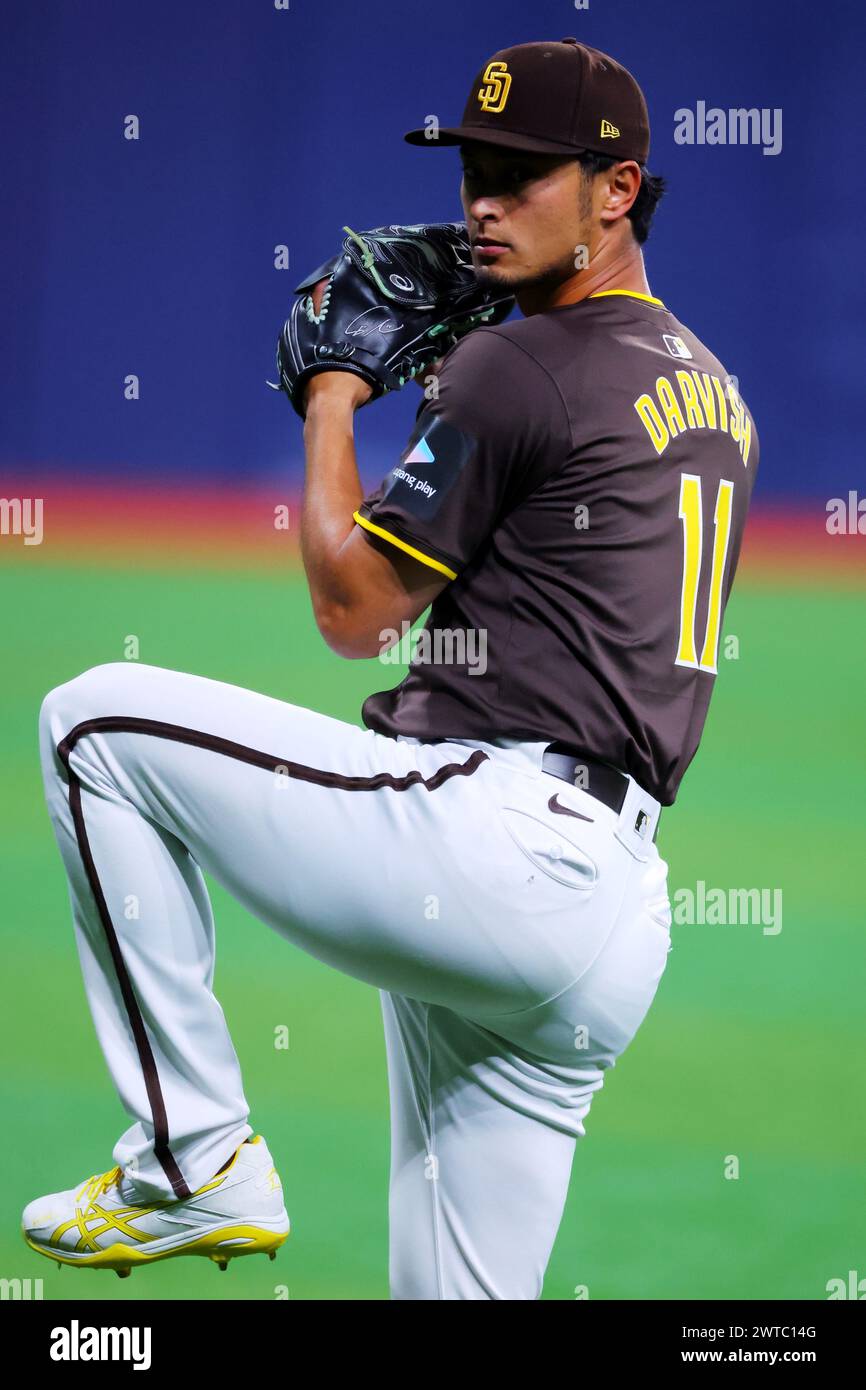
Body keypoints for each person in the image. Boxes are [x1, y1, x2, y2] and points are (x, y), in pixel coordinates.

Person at [23, 37, 757, 1300]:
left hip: (498, 849)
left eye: (524, 173)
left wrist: (332, 391)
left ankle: (192, 1156)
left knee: (93, 727)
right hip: (610, 919)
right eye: (476, 166)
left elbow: (352, 608)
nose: (483, 199)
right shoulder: (710, 387)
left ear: (616, 188)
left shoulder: (516, 364)